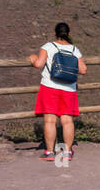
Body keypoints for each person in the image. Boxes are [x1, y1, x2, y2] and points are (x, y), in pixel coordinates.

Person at [29, 22, 89, 162]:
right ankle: (67, 152)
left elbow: (39, 64)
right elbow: (83, 70)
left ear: (55, 33)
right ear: (68, 34)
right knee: (67, 121)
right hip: (69, 89)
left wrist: (32, 58)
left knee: (50, 120)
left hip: (50, 87)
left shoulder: (48, 46)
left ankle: (50, 152)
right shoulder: (74, 50)